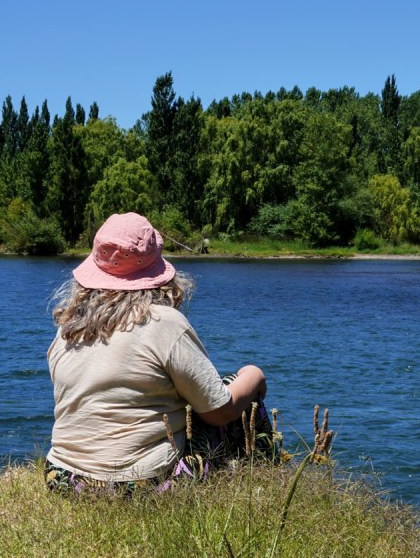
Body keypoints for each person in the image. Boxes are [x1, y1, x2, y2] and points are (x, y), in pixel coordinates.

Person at [44, 212, 269, 495]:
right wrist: (254, 376)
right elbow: (219, 413)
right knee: (237, 391)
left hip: (62, 478)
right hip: (138, 485)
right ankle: (265, 479)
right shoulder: (163, 322)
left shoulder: (69, 327)